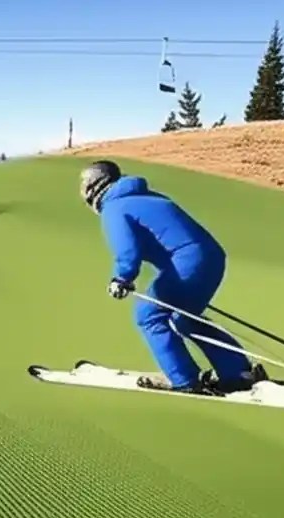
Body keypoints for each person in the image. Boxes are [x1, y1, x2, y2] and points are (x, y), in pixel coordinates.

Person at [79, 159, 266, 395]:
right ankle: (238, 374)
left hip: (187, 261)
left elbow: (127, 251)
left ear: (95, 184)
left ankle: (185, 380)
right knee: (184, 318)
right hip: (211, 257)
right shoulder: (144, 196)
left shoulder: (114, 208)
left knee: (148, 315)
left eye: (85, 181)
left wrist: (121, 278)